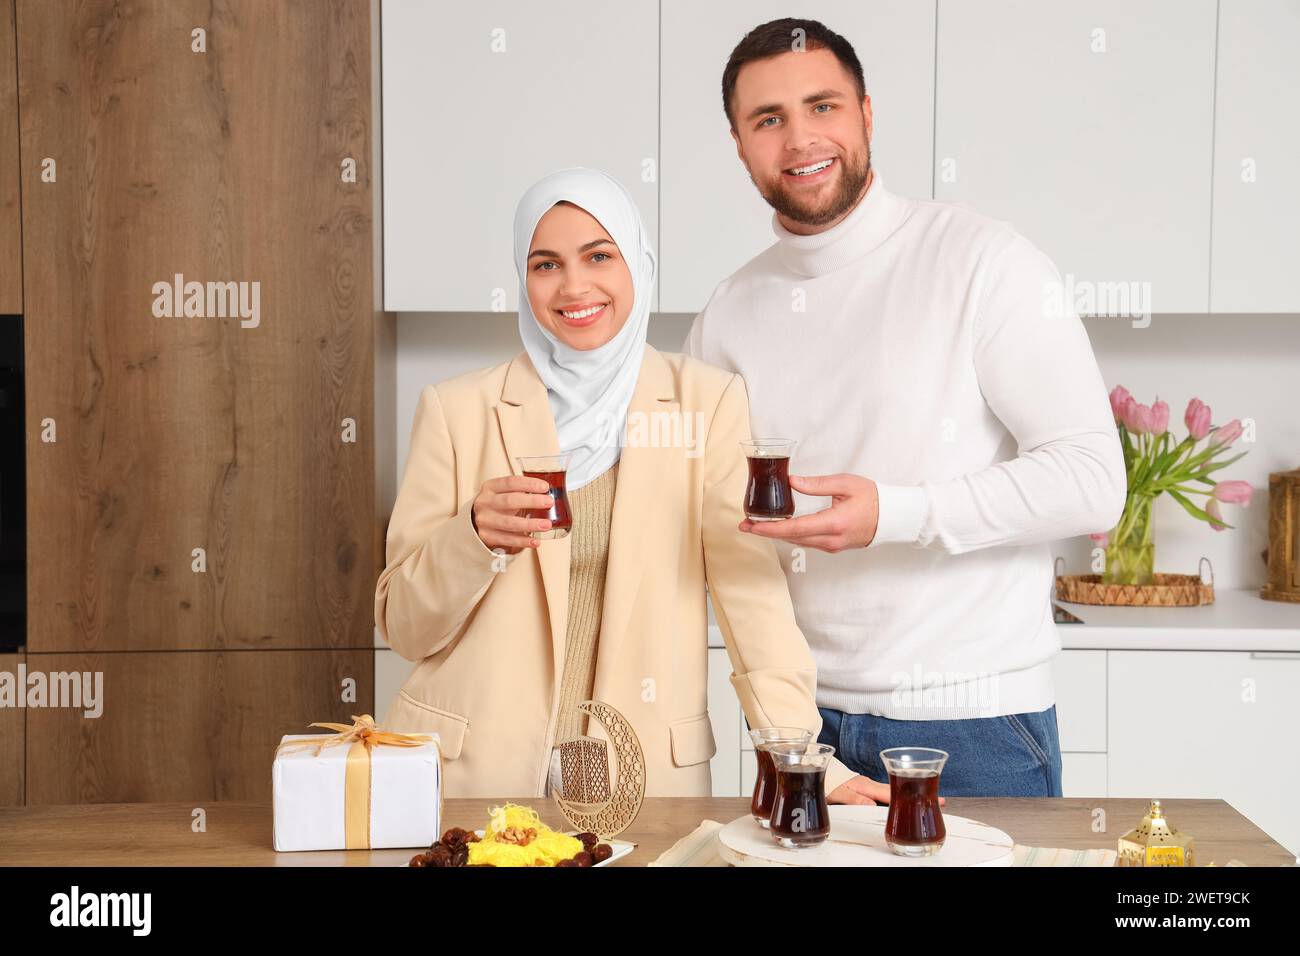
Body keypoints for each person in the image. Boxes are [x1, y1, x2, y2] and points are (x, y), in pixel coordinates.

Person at [685, 19, 1127, 796]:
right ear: (739, 143)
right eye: (768, 119)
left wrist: (895, 513)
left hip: (974, 728)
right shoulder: (728, 313)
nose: (798, 139)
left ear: (865, 112)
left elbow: (1093, 480)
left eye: (822, 106)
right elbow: (721, 535)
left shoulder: (984, 261)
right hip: (804, 729)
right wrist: (784, 728)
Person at [375, 166, 887, 803]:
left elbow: (750, 597)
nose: (574, 285)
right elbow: (405, 627)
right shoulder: (456, 410)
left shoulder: (705, 402)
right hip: (479, 780)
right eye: (545, 264)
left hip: (638, 779)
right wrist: (473, 537)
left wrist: (802, 757)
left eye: (598, 256)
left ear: (637, 264)